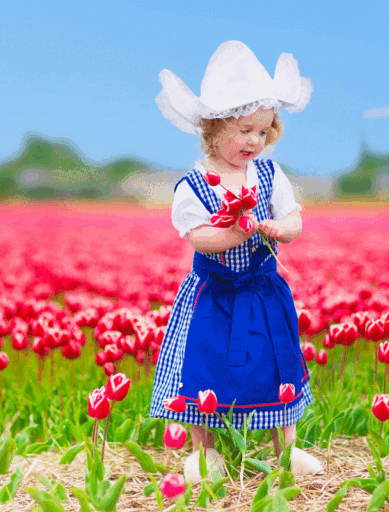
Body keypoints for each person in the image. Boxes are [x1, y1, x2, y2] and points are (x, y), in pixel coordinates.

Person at [149, 41, 321, 482]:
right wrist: (234, 232)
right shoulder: (194, 184)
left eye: (263, 132)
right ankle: (204, 453)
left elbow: (294, 220)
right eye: (246, 130)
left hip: (263, 290)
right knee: (204, 364)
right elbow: (200, 239)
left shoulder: (269, 174)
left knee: (278, 362)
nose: (255, 141)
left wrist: (280, 229)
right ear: (214, 128)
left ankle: (287, 449)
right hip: (215, 294)